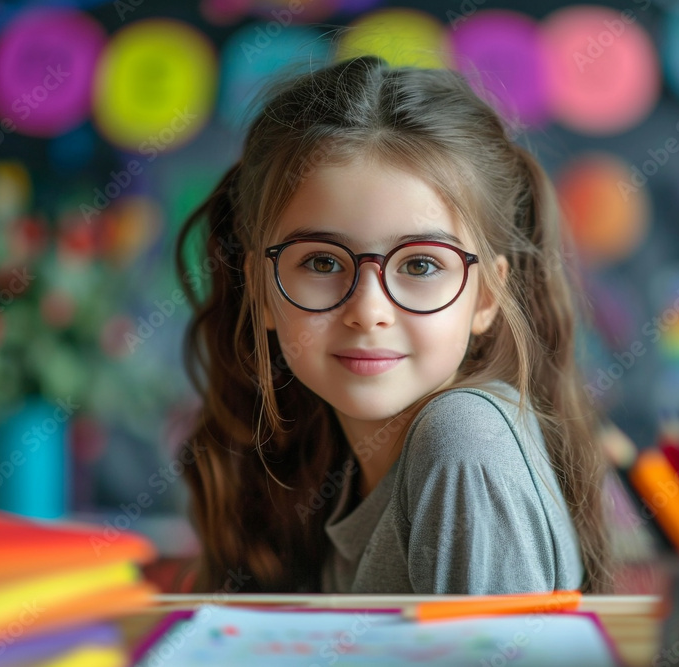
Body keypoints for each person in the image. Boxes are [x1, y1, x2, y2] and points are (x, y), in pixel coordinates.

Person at [174, 55, 611, 595]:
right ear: (261, 289)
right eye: (322, 262)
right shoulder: (328, 482)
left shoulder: (464, 441)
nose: (368, 309)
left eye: (422, 265)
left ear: (487, 296)